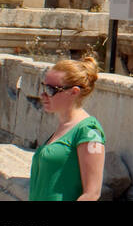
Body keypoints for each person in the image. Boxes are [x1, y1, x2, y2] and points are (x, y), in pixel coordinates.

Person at [28, 55, 106, 201]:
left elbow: (92, 194)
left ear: (74, 92)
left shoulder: (89, 131)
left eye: (51, 90)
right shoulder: (62, 128)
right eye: (43, 87)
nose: (43, 94)